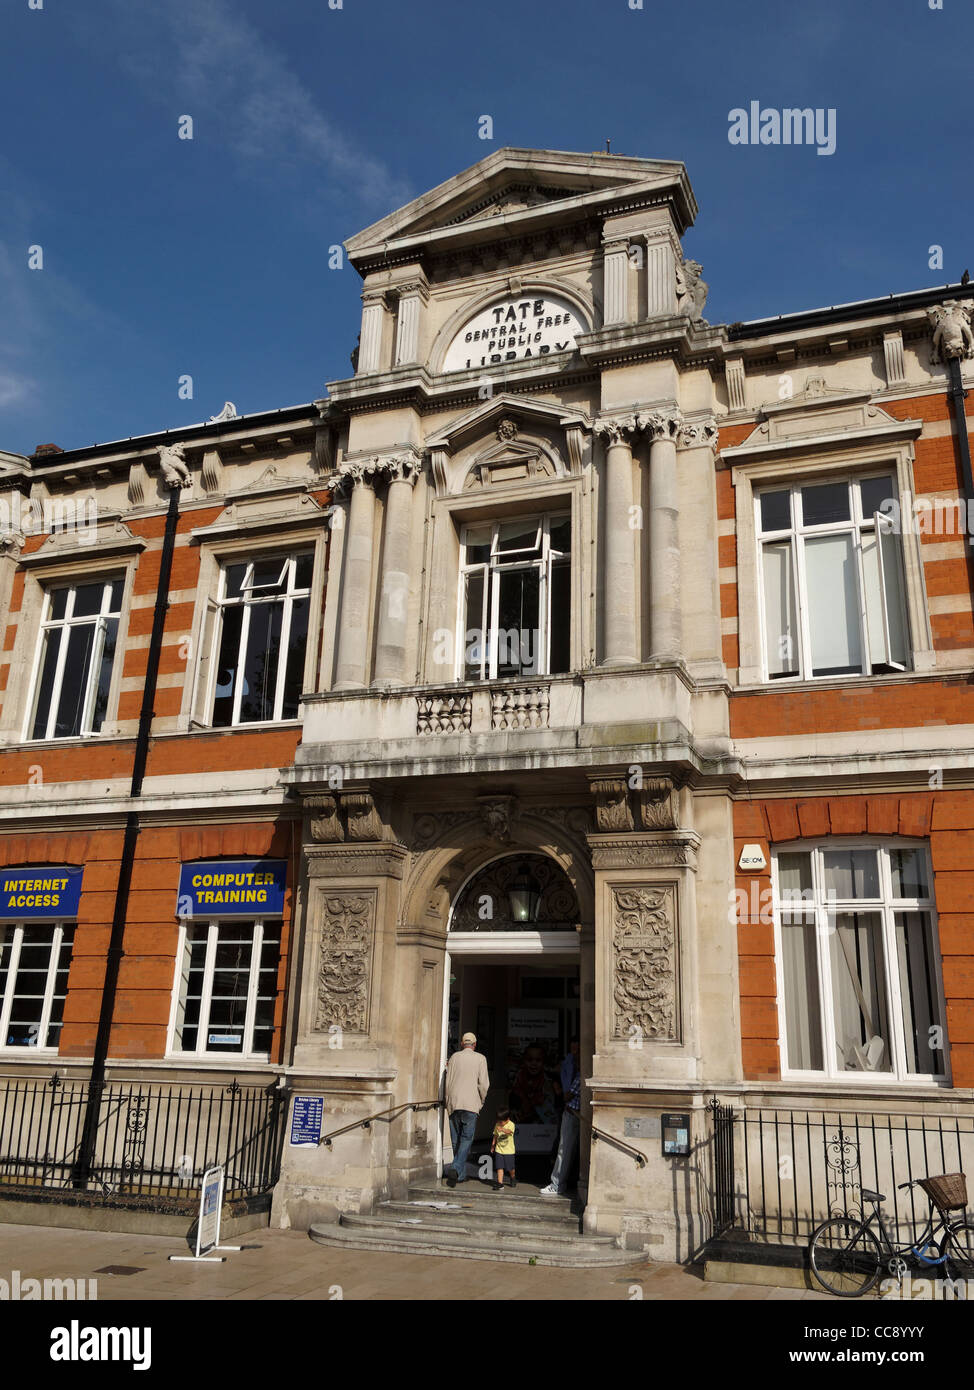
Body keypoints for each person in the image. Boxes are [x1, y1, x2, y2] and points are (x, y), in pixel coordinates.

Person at [444, 1030, 489, 1187]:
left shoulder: (454, 1057)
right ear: (474, 1045)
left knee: (457, 1140)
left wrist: (447, 1101)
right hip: (471, 1104)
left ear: (462, 1044)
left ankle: (460, 1175)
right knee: (466, 1140)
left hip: (454, 1103)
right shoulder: (480, 1059)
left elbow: (447, 1081)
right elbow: (484, 1084)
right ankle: (456, 1168)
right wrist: (481, 1102)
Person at [541, 1037, 580, 1196]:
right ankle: (558, 1183)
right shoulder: (569, 1064)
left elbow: (568, 1094)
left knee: (565, 1149)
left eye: (576, 1049)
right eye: (572, 1049)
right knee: (565, 1147)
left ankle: (558, 1183)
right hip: (571, 1111)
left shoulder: (580, 1069)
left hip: (575, 1111)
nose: (574, 1053)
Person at [490, 1107, 516, 1190]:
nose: (499, 1123)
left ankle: (512, 1177)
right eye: (498, 1121)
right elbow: (495, 1135)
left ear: (507, 1119)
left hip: (509, 1151)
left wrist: (503, 1129)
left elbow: (509, 1132)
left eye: (501, 1122)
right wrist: (493, 1146)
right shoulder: (497, 1124)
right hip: (499, 1150)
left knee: (510, 1168)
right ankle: (500, 1183)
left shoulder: (511, 1124)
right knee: (499, 1167)